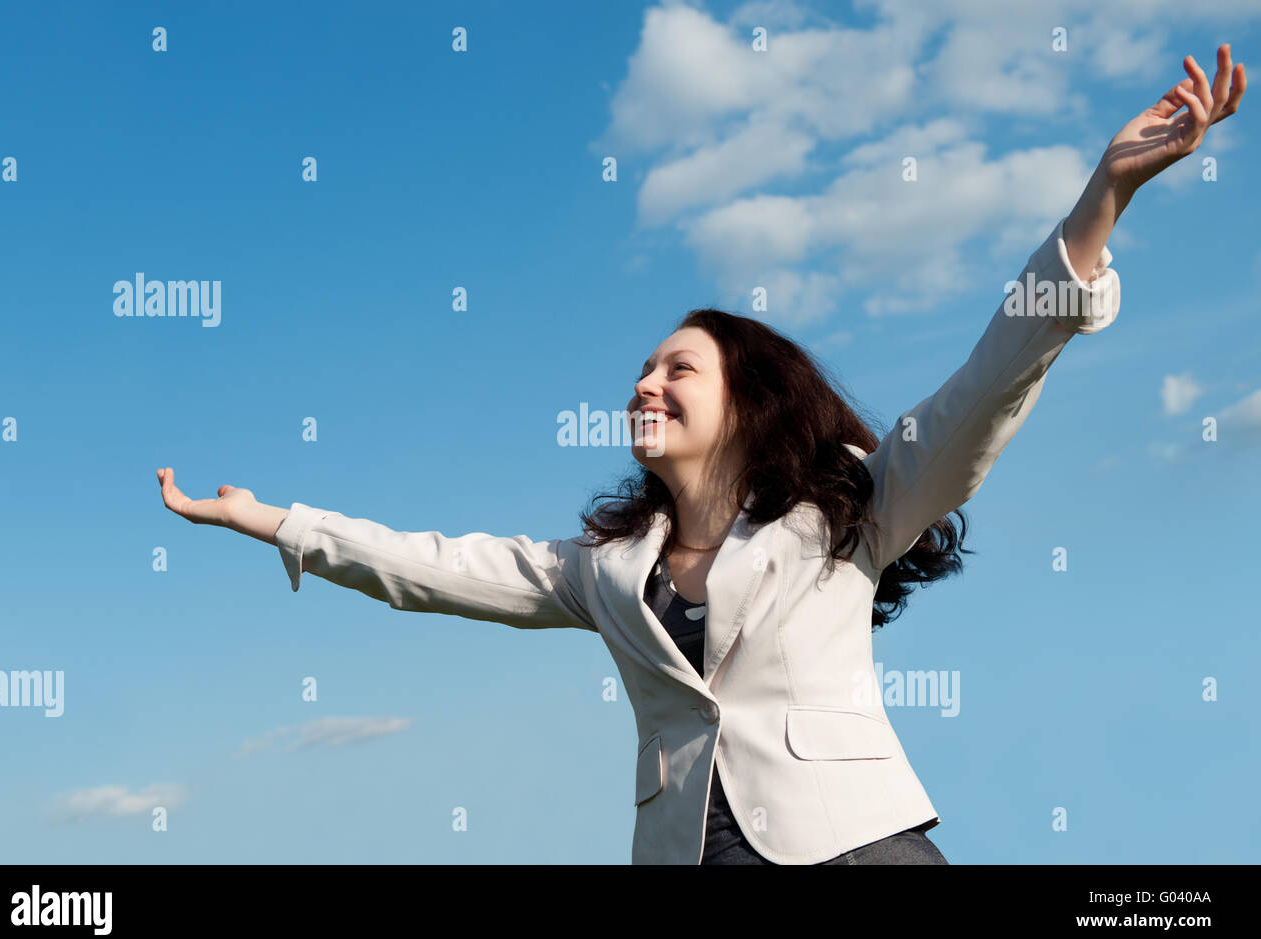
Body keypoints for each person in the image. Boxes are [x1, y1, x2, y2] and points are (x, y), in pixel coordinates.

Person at [158, 46, 1245, 864]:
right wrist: (276, 521)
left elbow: (985, 385)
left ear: (747, 398)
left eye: (677, 369)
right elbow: (433, 566)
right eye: (640, 370)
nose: (646, 384)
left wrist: (1101, 199)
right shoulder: (602, 569)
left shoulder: (850, 508)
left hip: (853, 844)